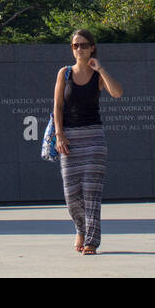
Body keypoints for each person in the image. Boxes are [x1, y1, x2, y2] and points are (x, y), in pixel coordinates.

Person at [53, 29, 123, 255]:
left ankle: (92, 241)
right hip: (69, 138)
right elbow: (58, 107)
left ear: (92, 47)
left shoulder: (97, 75)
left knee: (91, 192)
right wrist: (59, 134)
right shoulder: (64, 73)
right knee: (71, 194)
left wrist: (100, 68)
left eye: (83, 45)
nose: (79, 49)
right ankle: (80, 230)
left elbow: (117, 93)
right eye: (75, 46)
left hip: (93, 138)